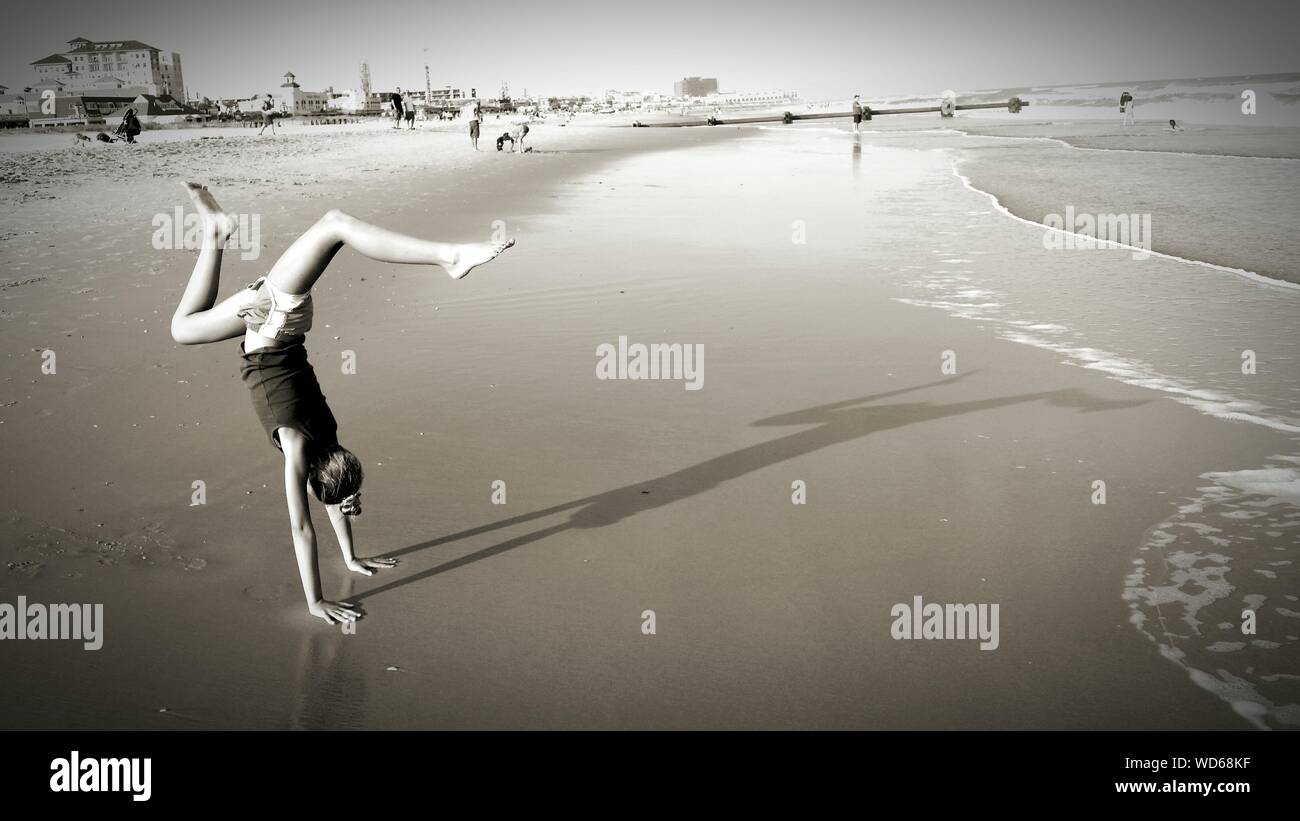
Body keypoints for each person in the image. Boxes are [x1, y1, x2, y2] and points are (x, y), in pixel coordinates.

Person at [169, 182, 515, 624]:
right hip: (271, 319)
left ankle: (216, 235)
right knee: (334, 225)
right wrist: (316, 600)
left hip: (282, 324)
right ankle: (449, 257)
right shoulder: (297, 446)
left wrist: (351, 556)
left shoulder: (326, 436)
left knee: (184, 329)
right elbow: (303, 526)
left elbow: (328, 496)